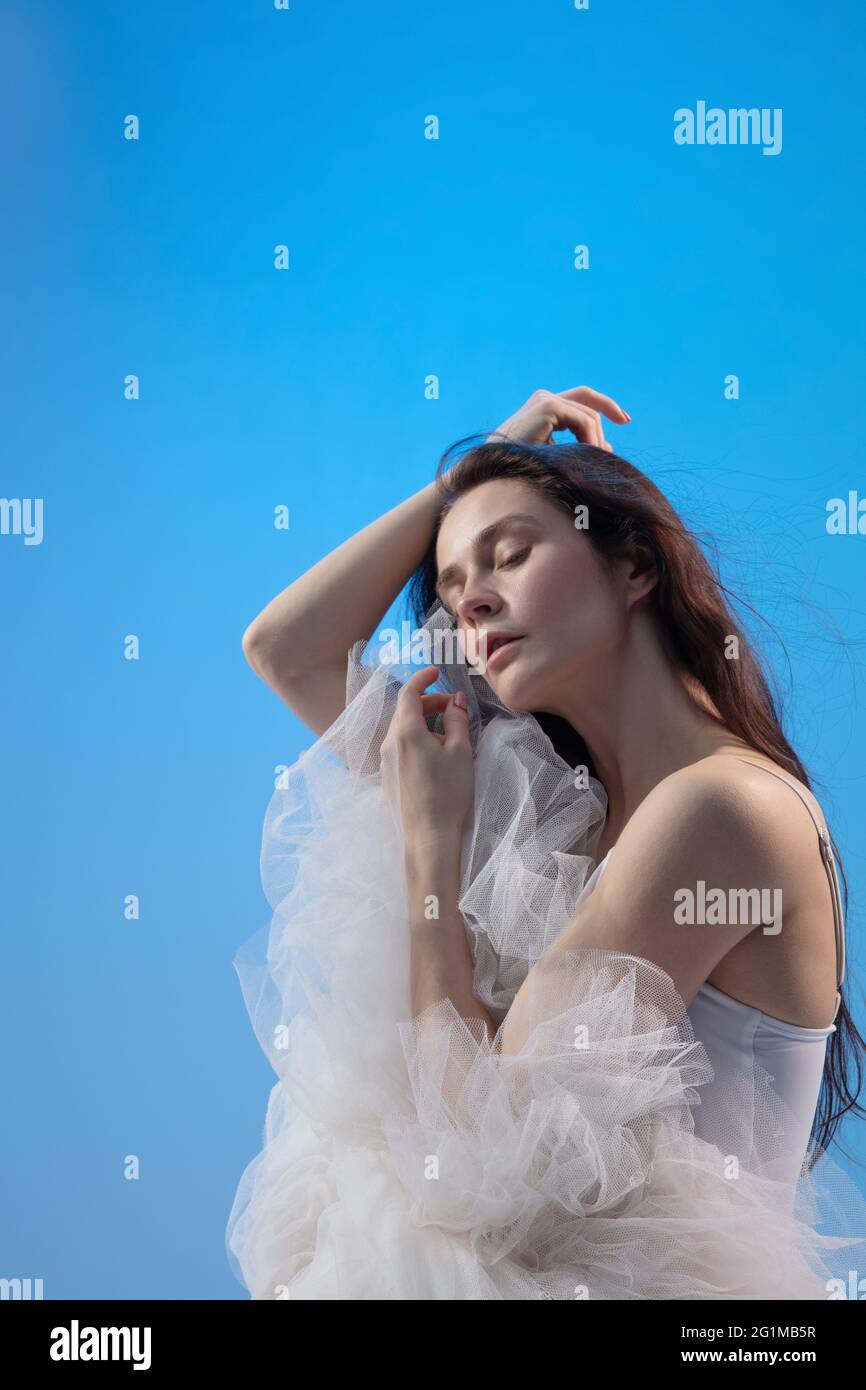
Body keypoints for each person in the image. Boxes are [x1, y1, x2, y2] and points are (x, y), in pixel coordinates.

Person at [226, 385, 866, 1300]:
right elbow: (287, 649)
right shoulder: (555, 812)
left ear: (636, 566)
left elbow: (479, 1147)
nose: (472, 604)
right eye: (451, 593)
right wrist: (478, 470)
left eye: (512, 556)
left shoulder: (723, 810)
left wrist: (430, 852)